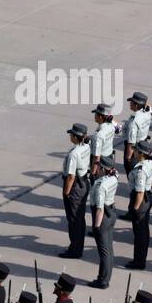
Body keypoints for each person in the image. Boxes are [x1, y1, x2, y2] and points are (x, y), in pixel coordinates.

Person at [60, 122, 91, 258]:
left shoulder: (74, 154)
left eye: (71, 134)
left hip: (75, 186)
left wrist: (66, 193)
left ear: (75, 136)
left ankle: (75, 249)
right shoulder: (86, 146)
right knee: (80, 218)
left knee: (73, 220)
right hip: (84, 182)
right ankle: (78, 246)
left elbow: (71, 176)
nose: (70, 136)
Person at [88, 162, 118, 289]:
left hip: (103, 216)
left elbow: (99, 209)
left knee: (104, 251)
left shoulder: (101, 186)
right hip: (111, 212)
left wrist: (96, 226)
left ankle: (103, 280)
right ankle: (106, 277)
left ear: (103, 169)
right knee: (109, 249)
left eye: (98, 167)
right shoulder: (114, 177)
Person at [125, 140, 152, 269]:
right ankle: (140, 259)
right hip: (146, 198)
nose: (134, 151)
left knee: (140, 233)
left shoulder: (141, 170)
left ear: (141, 153)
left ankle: (139, 261)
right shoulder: (148, 163)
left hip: (141, 200)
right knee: (143, 231)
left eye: (136, 150)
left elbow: (140, 191)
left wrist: (135, 208)